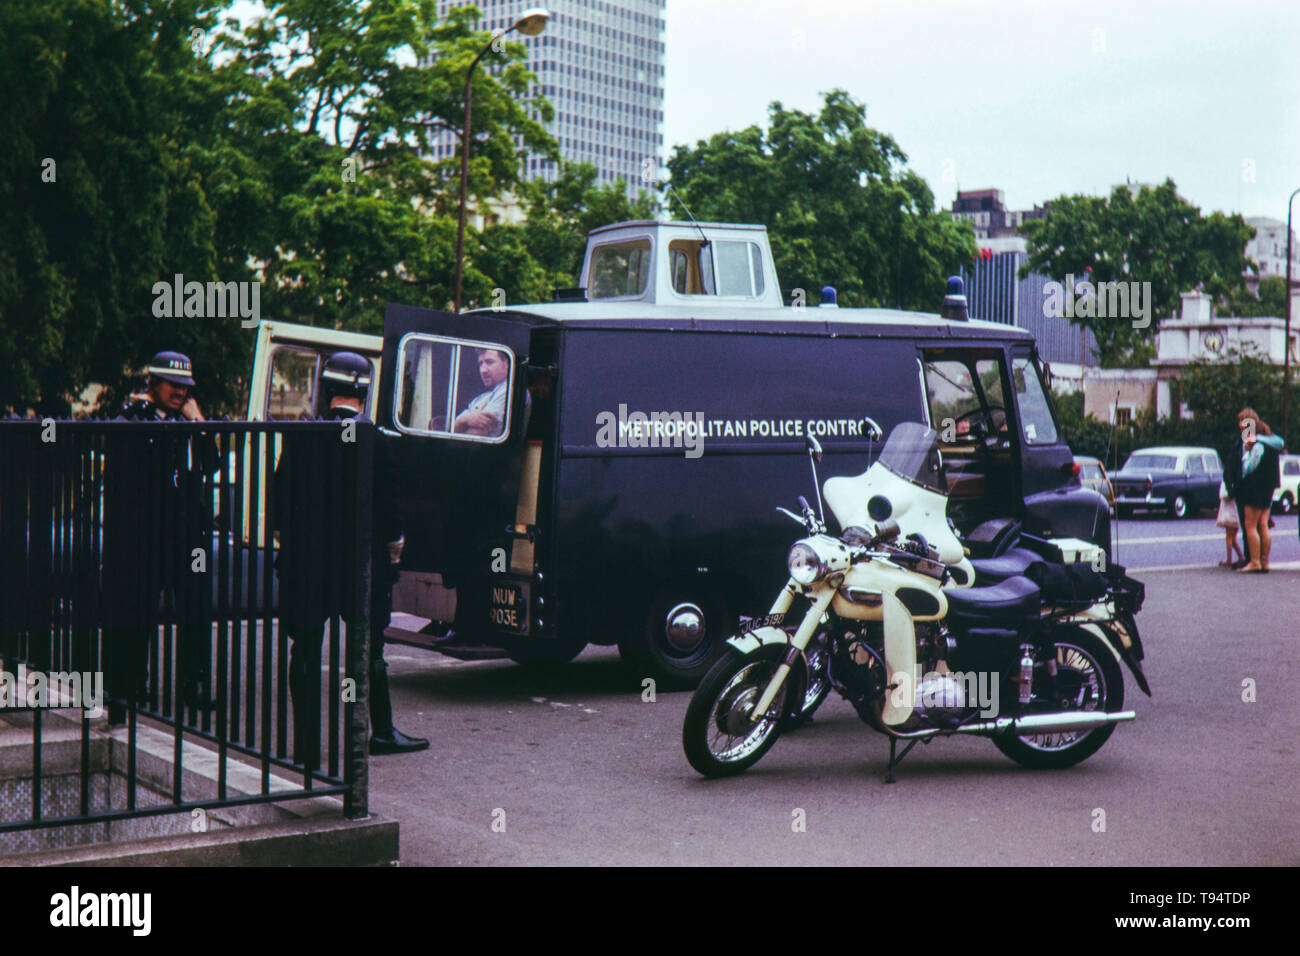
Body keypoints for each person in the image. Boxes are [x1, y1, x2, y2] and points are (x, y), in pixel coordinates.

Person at [274, 351, 428, 764]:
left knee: (304, 651)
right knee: (367, 651)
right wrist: (393, 549)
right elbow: (391, 511)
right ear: (364, 390)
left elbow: (279, 501)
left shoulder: (303, 436)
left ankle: (306, 746)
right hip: (361, 564)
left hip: (308, 563)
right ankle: (377, 732)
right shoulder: (377, 440)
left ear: (326, 389)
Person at [106, 351, 215, 723]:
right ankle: (136, 682)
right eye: (174, 385)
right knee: (141, 606)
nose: (181, 393)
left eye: (186, 387)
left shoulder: (189, 418)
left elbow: (212, 462)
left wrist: (197, 421)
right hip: (148, 529)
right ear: (154, 383)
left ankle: (195, 682)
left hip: (187, 529)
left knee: (196, 606)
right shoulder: (133, 417)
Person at [1225, 408, 1285, 574]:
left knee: (1250, 526)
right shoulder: (1272, 443)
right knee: (1263, 525)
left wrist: (1245, 455)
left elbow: (1248, 468)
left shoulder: (1256, 445)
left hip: (1253, 489)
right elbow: (1280, 442)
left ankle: (1254, 561)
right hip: (1268, 488)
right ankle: (1264, 562)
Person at [452, 349, 510, 436]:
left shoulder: (508, 390)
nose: (483, 370)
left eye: (489, 362)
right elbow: (451, 429)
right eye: (480, 363)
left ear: (507, 364)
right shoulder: (481, 398)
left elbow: (476, 434)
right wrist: (464, 419)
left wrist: (461, 423)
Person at [1215, 479, 1243, 567]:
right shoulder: (1238, 480)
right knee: (1233, 537)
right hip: (1236, 510)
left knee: (1229, 537)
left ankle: (1229, 560)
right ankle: (1241, 557)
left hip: (1229, 512)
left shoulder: (1227, 480)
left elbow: (1223, 495)